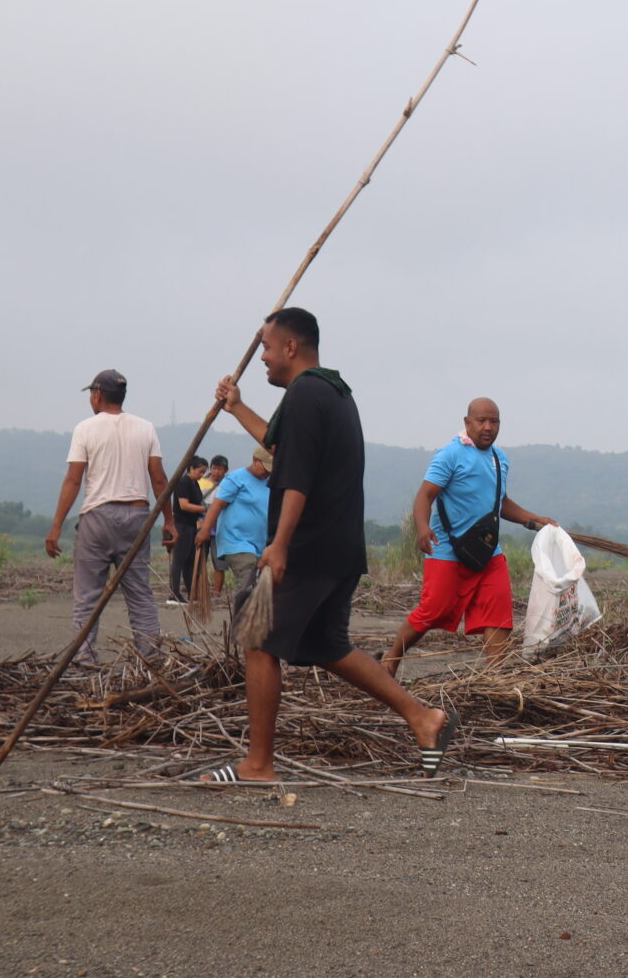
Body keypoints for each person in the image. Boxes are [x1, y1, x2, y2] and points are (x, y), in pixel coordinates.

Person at [206, 308, 453, 784]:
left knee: (256, 639)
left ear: (291, 348)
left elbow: (294, 478)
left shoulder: (305, 396)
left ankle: (258, 765)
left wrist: (279, 545)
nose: (262, 358)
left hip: (309, 547)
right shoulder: (331, 392)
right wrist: (235, 406)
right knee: (327, 644)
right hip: (340, 549)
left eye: (268, 347)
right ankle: (425, 719)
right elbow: (281, 450)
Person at [381, 398, 559, 675]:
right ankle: (391, 658)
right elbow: (425, 496)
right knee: (433, 610)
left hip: (488, 551)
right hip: (447, 549)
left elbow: (501, 503)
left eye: (494, 421)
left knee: (498, 612)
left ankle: (495, 677)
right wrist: (422, 528)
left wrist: (535, 521)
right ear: (467, 423)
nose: (488, 427)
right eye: (481, 421)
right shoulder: (449, 455)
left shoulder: (501, 459)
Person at [46, 369, 169, 664]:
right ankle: (150, 660)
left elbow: (74, 480)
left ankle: (84, 663)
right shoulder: (145, 428)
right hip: (138, 517)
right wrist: (170, 521)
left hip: (97, 518)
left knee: (88, 598)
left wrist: (56, 526)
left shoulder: (85, 429)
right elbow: (159, 480)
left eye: (91, 394)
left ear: (97, 396)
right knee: (139, 594)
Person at [198, 446, 272, 597]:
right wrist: (205, 531)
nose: (267, 472)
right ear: (255, 461)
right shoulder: (235, 479)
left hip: (262, 544)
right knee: (247, 581)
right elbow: (217, 505)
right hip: (237, 542)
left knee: (262, 589)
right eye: (265, 467)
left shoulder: (271, 481)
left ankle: (254, 618)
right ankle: (242, 619)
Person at [166, 455, 209, 604]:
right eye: (200, 471)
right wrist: (205, 509)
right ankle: (173, 593)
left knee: (189, 560)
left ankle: (191, 593)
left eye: (204, 472)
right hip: (182, 525)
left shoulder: (194, 484)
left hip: (192, 525)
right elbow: (184, 505)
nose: (202, 475)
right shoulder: (183, 482)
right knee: (179, 559)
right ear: (191, 468)